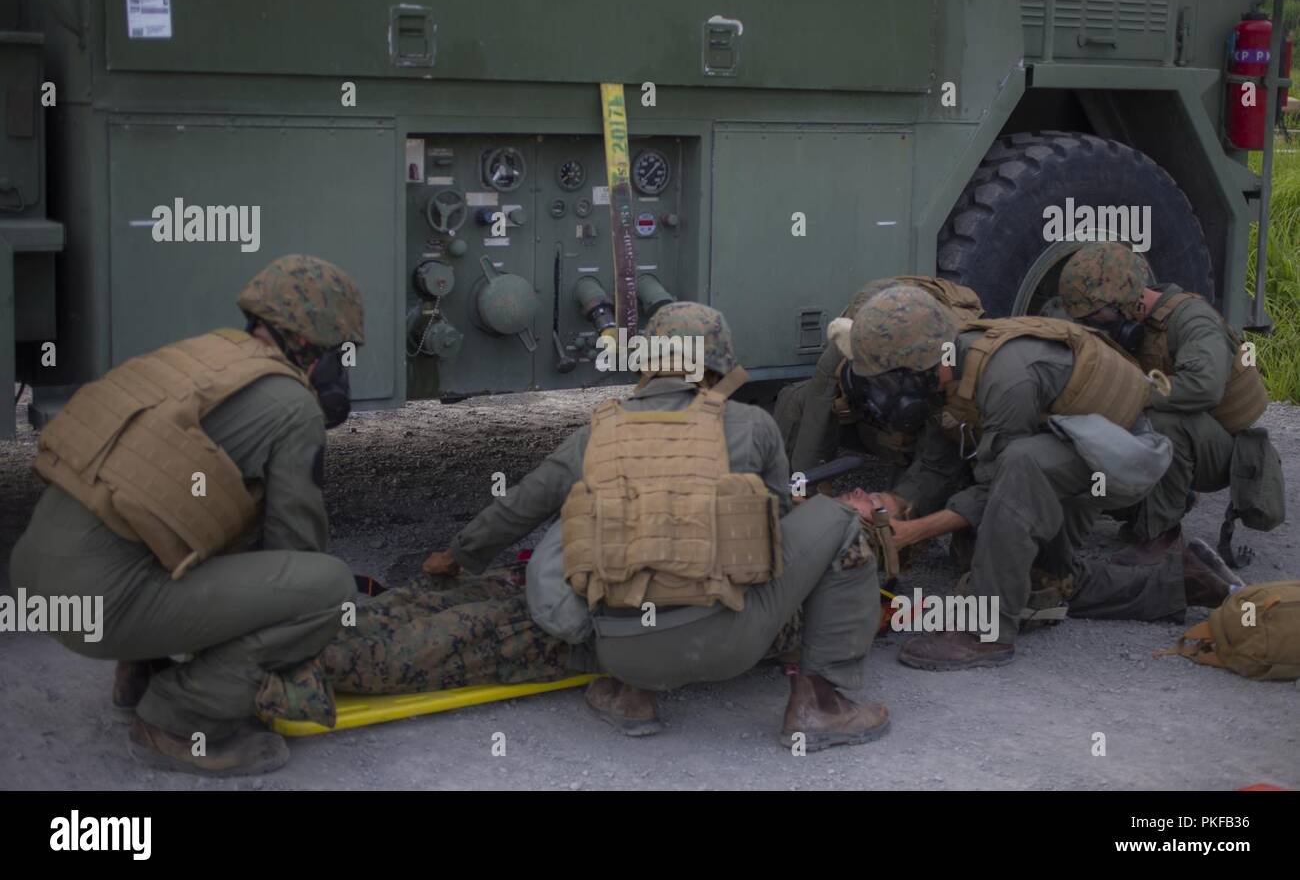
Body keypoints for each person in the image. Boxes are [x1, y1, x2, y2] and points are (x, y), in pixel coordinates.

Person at [423, 302, 889, 751]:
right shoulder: (751, 423)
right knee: (840, 521)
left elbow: (521, 505)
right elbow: (778, 527)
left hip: (620, 653)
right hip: (728, 643)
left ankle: (632, 698)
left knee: (617, 530)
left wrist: (457, 556)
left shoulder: (597, 432)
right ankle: (823, 706)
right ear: (719, 365)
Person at [9, 255, 364, 775]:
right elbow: (296, 550)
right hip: (100, 607)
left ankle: (141, 672)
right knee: (325, 589)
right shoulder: (293, 405)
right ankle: (175, 721)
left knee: (192, 508)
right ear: (311, 345)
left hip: (35, 579)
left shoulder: (207, 356)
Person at [843, 287, 1243, 670]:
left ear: (922, 361)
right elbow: (938, 464)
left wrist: (916, 532)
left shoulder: (1006, 378)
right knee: (1045, 585)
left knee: (1019, 466)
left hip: (1126, 460)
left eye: (892, 378)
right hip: (1075, 451)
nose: (891, 391)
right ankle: (1186, 579)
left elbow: (995, 488)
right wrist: (896, 505)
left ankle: (987, 632)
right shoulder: (952, 372)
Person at [1057, 242, 1276, 559]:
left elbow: (1204, 387)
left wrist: (1129, 392)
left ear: (1128, 303)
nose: (1095, 325)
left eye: (1098, 316)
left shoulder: (1193, 320)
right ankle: (1143, 504)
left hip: (1226, 450)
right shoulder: (1139, 321)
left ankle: (1160, 537)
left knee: (1162, 422)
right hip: (1193, 437)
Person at [774, 275, 984, 480]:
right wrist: (805, 484)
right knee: (795, 398)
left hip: (948, 419)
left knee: (926, 424)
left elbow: (937, 441)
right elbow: (819, 402)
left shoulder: (942, 345)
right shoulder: (856, 335)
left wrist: (904, 501)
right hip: (898, 405)